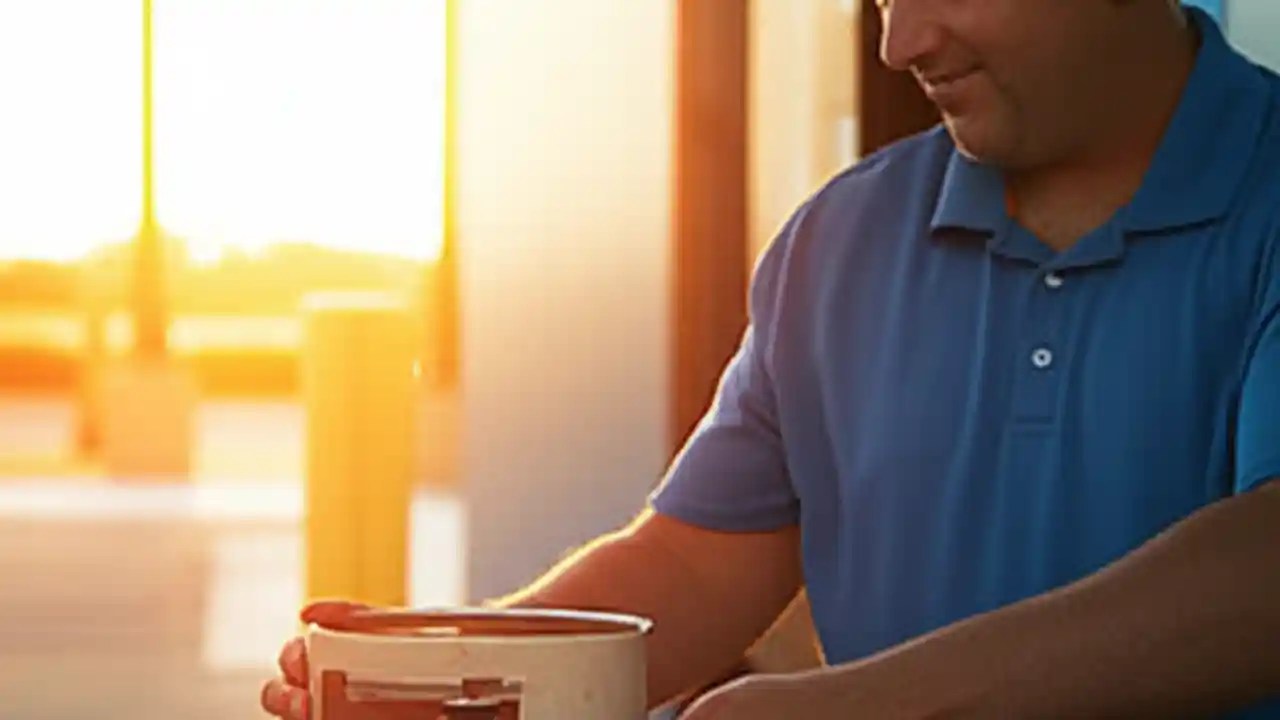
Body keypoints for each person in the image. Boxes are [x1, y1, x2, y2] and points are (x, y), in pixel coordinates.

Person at [263, 1, 1280, 717]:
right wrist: (448, 672)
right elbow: (690, 563)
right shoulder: (839, 239)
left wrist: (864, 710)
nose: (897, 41)